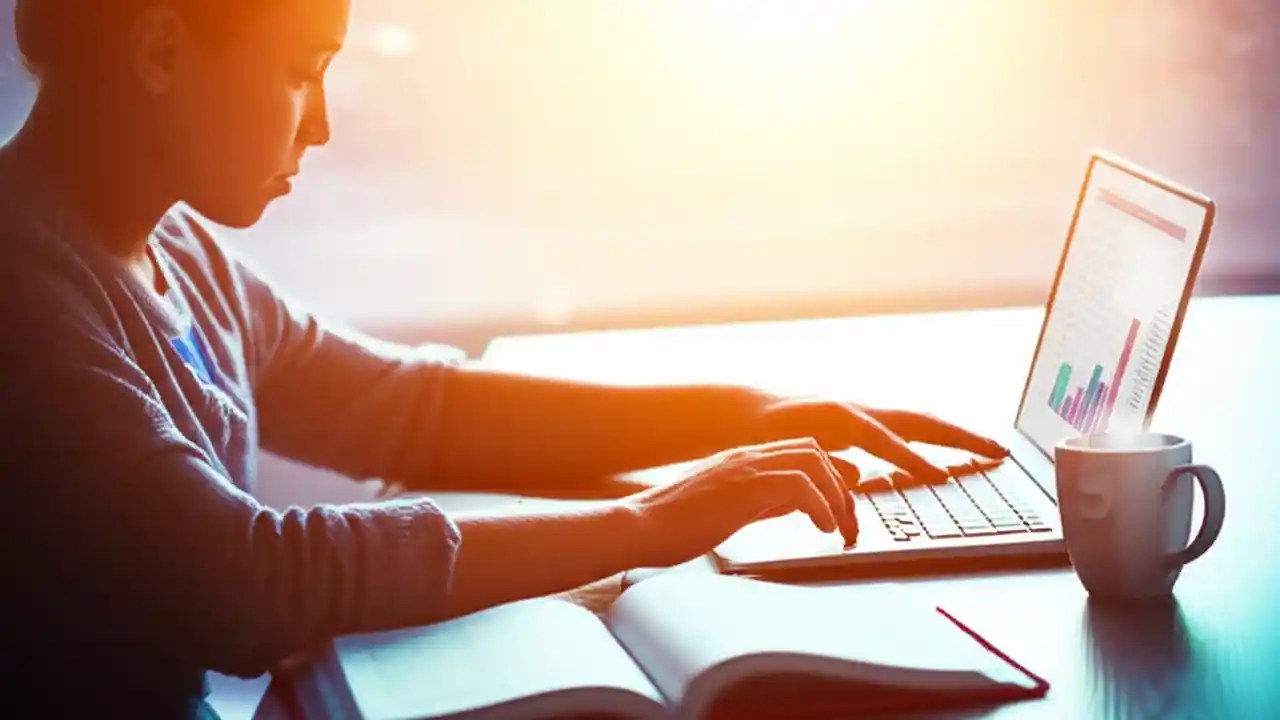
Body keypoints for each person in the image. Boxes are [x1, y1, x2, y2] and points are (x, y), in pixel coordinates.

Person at [0, 1, 1008, 716]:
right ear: (165, 47)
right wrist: (645, 524)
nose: (322, 122)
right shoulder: (23, 294)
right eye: (300, 70)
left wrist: (741, 416)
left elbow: (412, 413)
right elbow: (248, 584)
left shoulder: (176, 252)